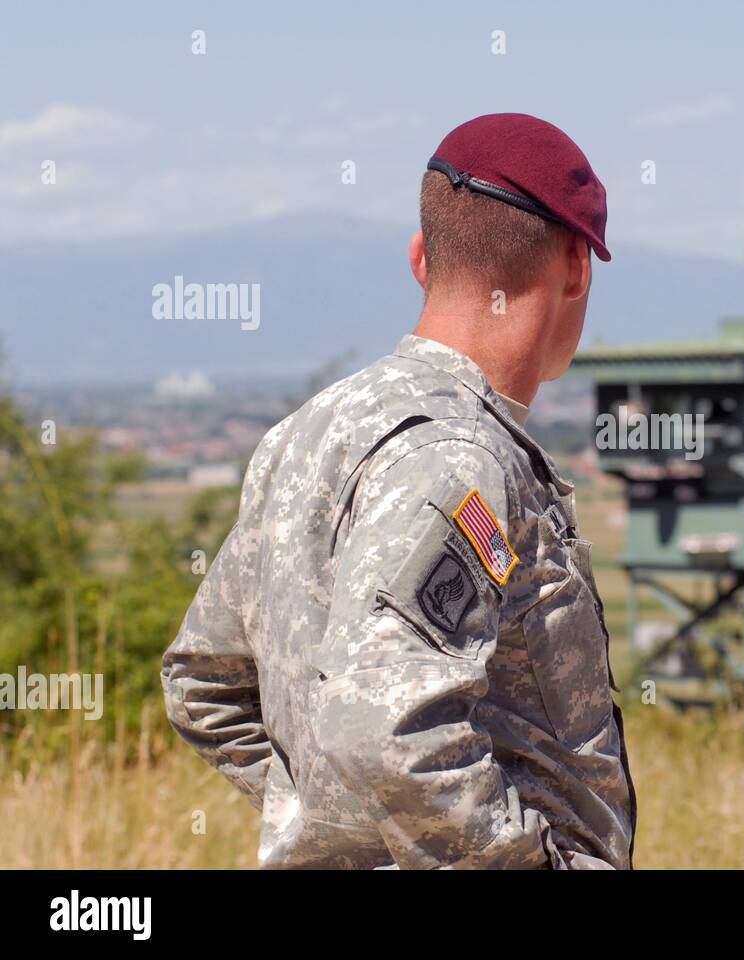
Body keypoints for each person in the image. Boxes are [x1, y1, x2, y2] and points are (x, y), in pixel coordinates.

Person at [160, 113, 635, 869]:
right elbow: (383, 728)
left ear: (421, 258)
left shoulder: (305, 434)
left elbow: (205, 684)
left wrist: (327, 826)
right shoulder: (463, 460)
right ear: (576, 265)